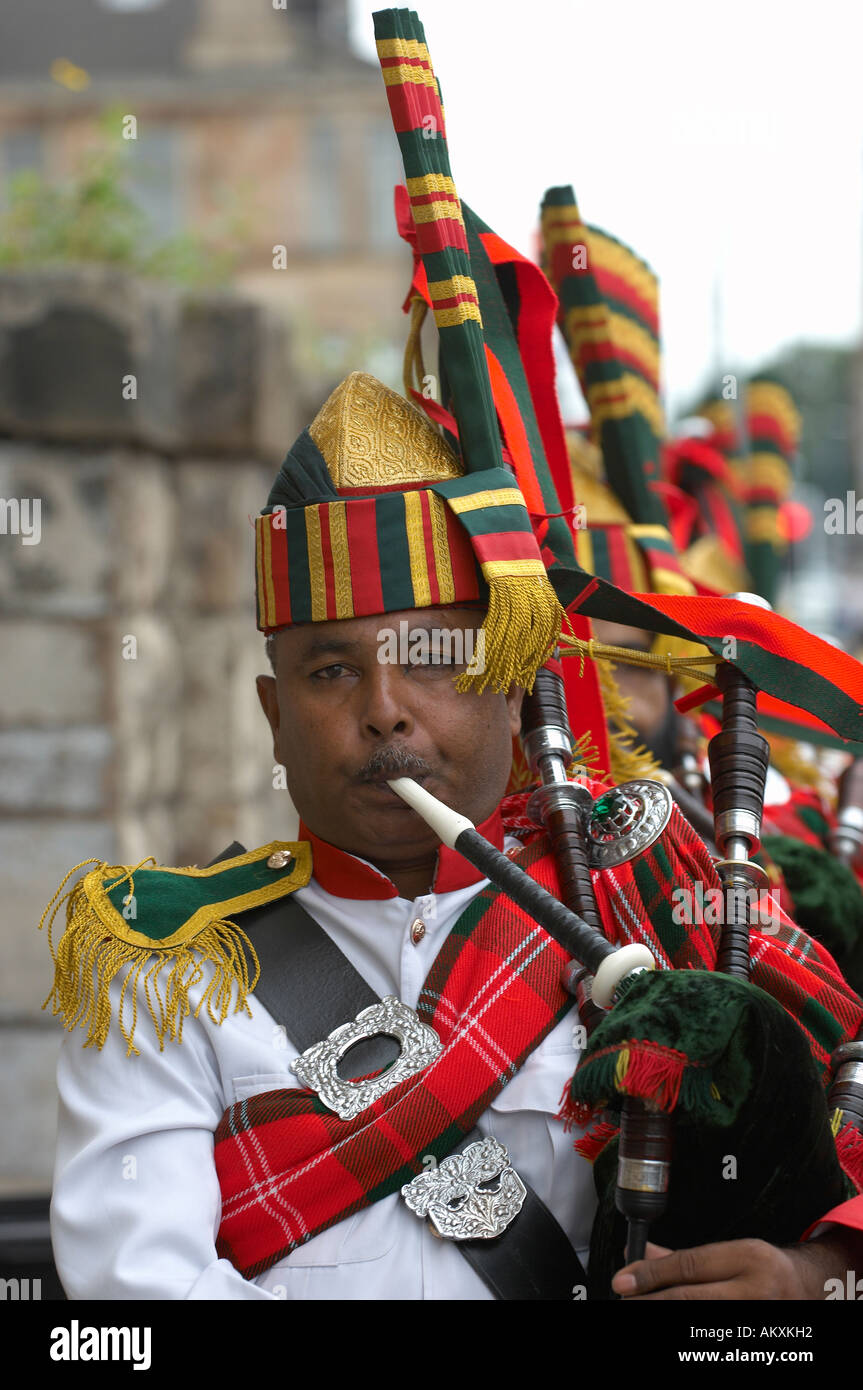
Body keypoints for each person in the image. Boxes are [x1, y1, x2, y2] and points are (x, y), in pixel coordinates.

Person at [45, 371, 863, 1300]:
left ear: (514, 687)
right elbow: (137, 1293)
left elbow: (847, 1081)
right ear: (272, 717)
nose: (384, 711)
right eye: (328, 671)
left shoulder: (645, 882)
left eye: (433, 659)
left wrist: (812, 1275)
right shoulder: (165, 965)